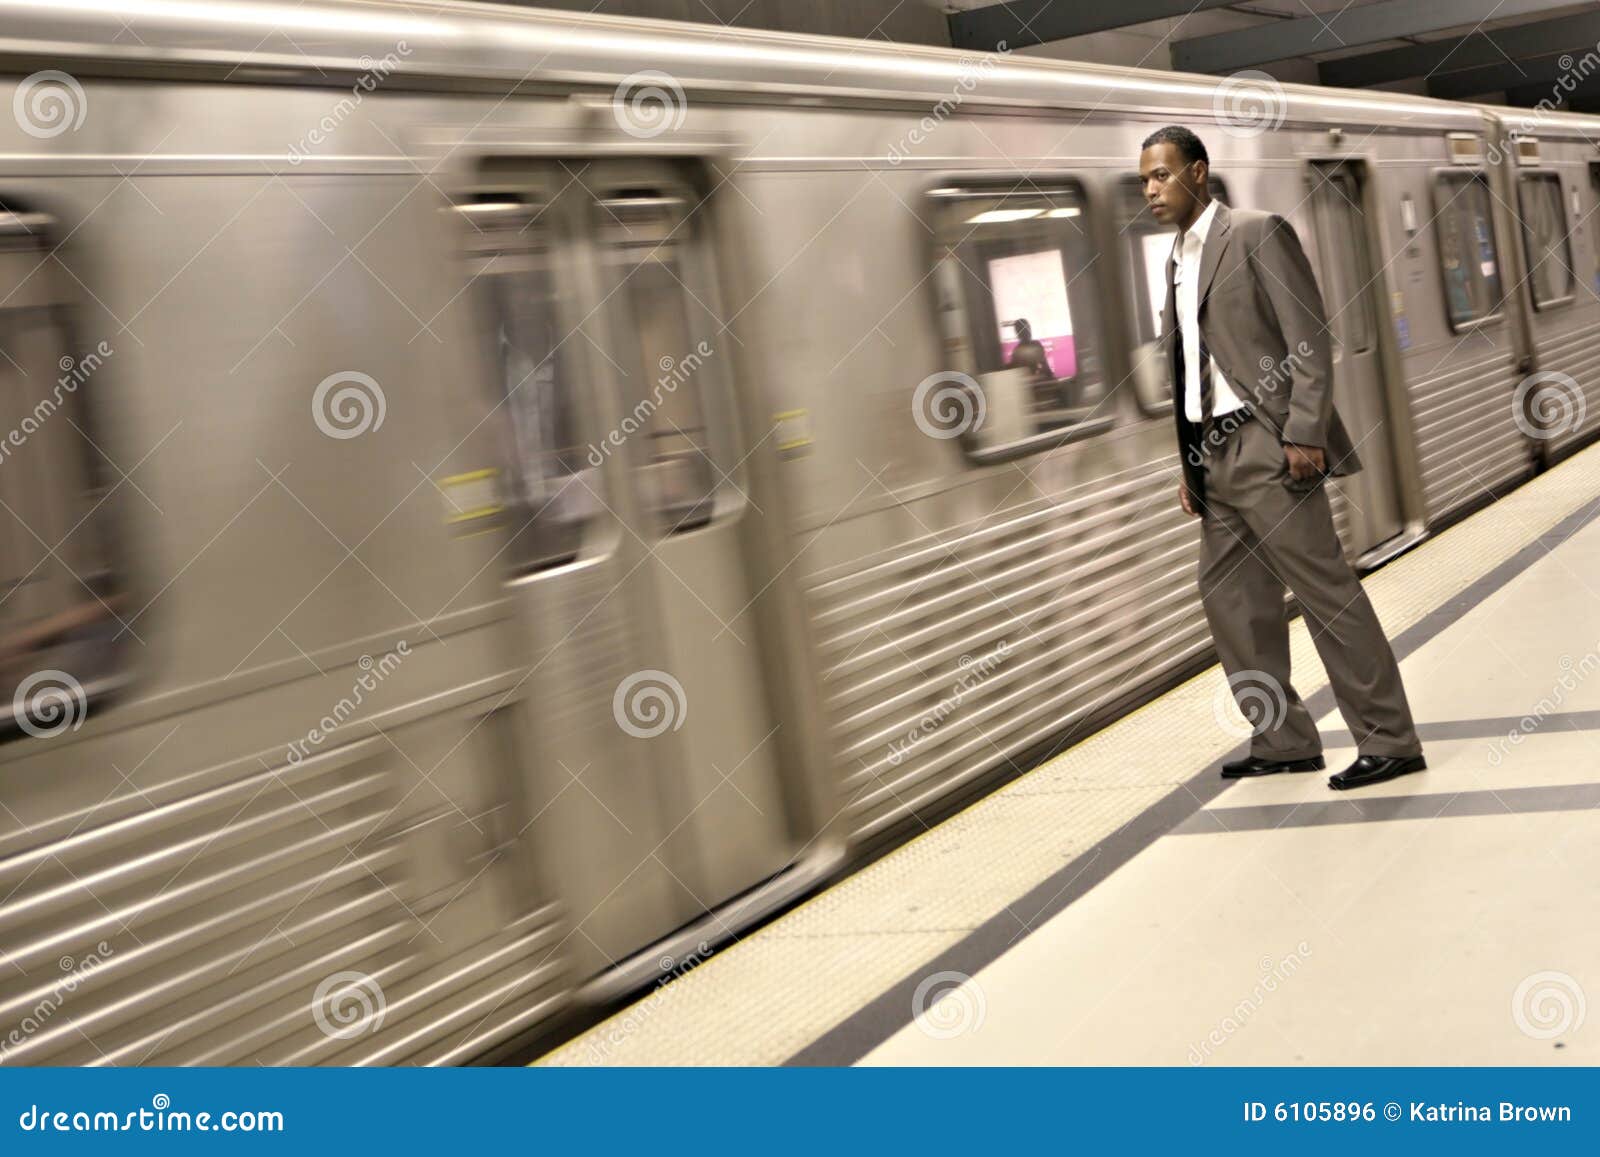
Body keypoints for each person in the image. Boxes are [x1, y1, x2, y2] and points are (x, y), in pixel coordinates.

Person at [1137, 124, 1425, 791]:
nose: (1151, 189)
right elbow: (1186, 365)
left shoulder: (1256, 231)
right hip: (1212, 455)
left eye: (1162, 174)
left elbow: (1308, 337)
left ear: (1199, 173)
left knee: (1327, 594)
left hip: (1268, 443)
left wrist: (1303, 431)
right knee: (1230, 597)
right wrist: (1188, 461)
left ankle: (1390, 738)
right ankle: (1283, 737)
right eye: (1144, 179)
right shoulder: (1176, 256)